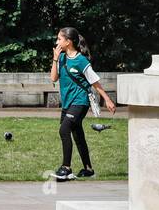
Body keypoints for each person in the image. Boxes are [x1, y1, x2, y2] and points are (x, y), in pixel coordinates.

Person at [48, 27, 115, 181]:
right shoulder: (62, 58)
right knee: (77, 135)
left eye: (59, 39)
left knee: (64, 130)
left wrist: (107, 99)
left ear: (68, 41)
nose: (57, 41)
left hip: (80, 102)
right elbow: (53, 78)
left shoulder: (81, 60)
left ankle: (66, 168)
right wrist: (55, 58)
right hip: (67, 103)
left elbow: (94, 81)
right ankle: (88, 169)